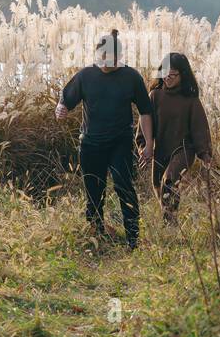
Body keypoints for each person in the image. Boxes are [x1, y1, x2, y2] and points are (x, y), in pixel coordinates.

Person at [56, 29, 153, 249]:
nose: (107, 62)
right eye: (103, 57)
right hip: (90, 143)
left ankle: (133, 239)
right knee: (93, 192)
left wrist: (149, 144)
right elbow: (65, 101)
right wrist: (60, 108)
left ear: (120, 55)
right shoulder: (85, 75)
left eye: (112, 58)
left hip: (121, 141)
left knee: (124, 186)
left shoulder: (132, 77)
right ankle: (97, 237)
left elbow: (146, 111)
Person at [144, 52, 213, 223]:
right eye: (164, 72)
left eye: (173, 74)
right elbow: (145, 124)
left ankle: (170, 224)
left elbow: (200, 128)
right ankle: (171, 221)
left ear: (183, 75)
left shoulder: (191, 100)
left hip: (183, 149)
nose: (167, 77)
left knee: (169, 179)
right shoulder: (155, 96)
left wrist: (204, 154)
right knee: (158, 186)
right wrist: (144, 146)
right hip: (161, 148)